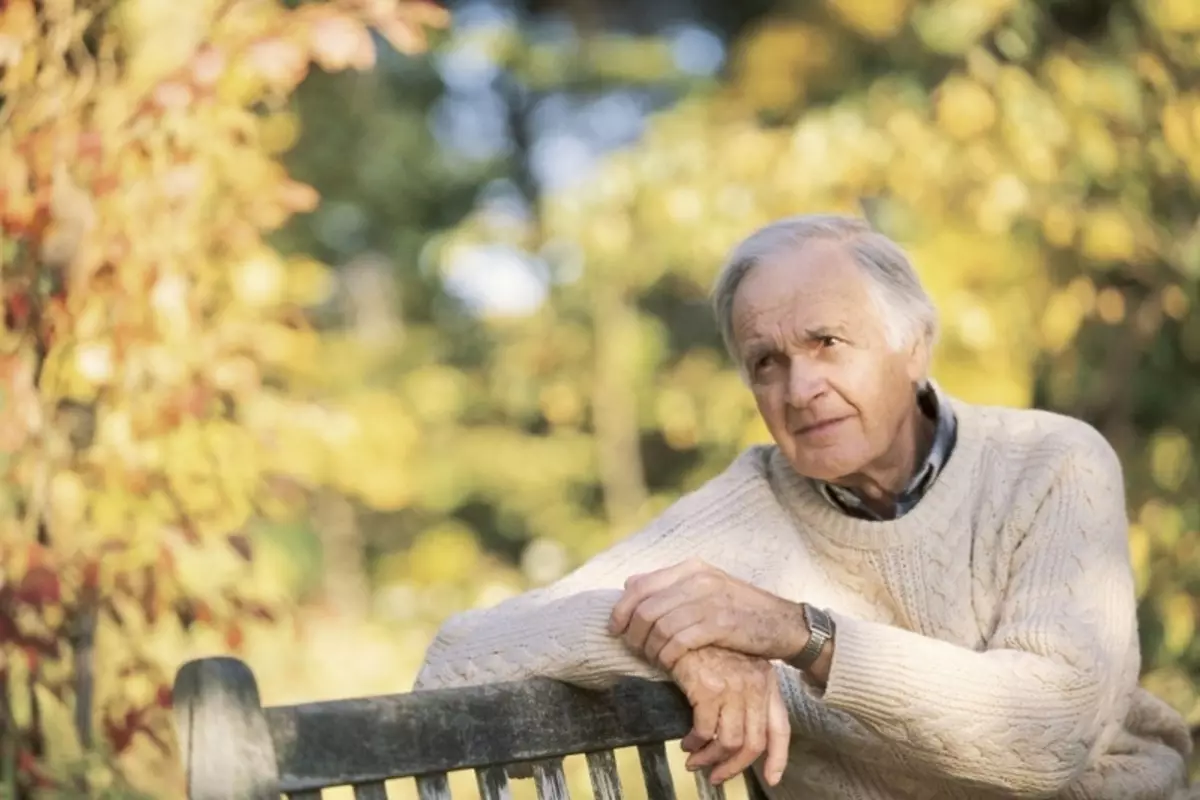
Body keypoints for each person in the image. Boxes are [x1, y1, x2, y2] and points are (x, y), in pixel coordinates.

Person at [413, 214, 1194, 798]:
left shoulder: (1051, 463)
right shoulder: (742, 511)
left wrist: (798, 635)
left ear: (912, 346)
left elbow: (1047, 736)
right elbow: (453, 669)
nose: (800, 388)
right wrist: (689, 644)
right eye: (766, 362)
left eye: (827, 343)